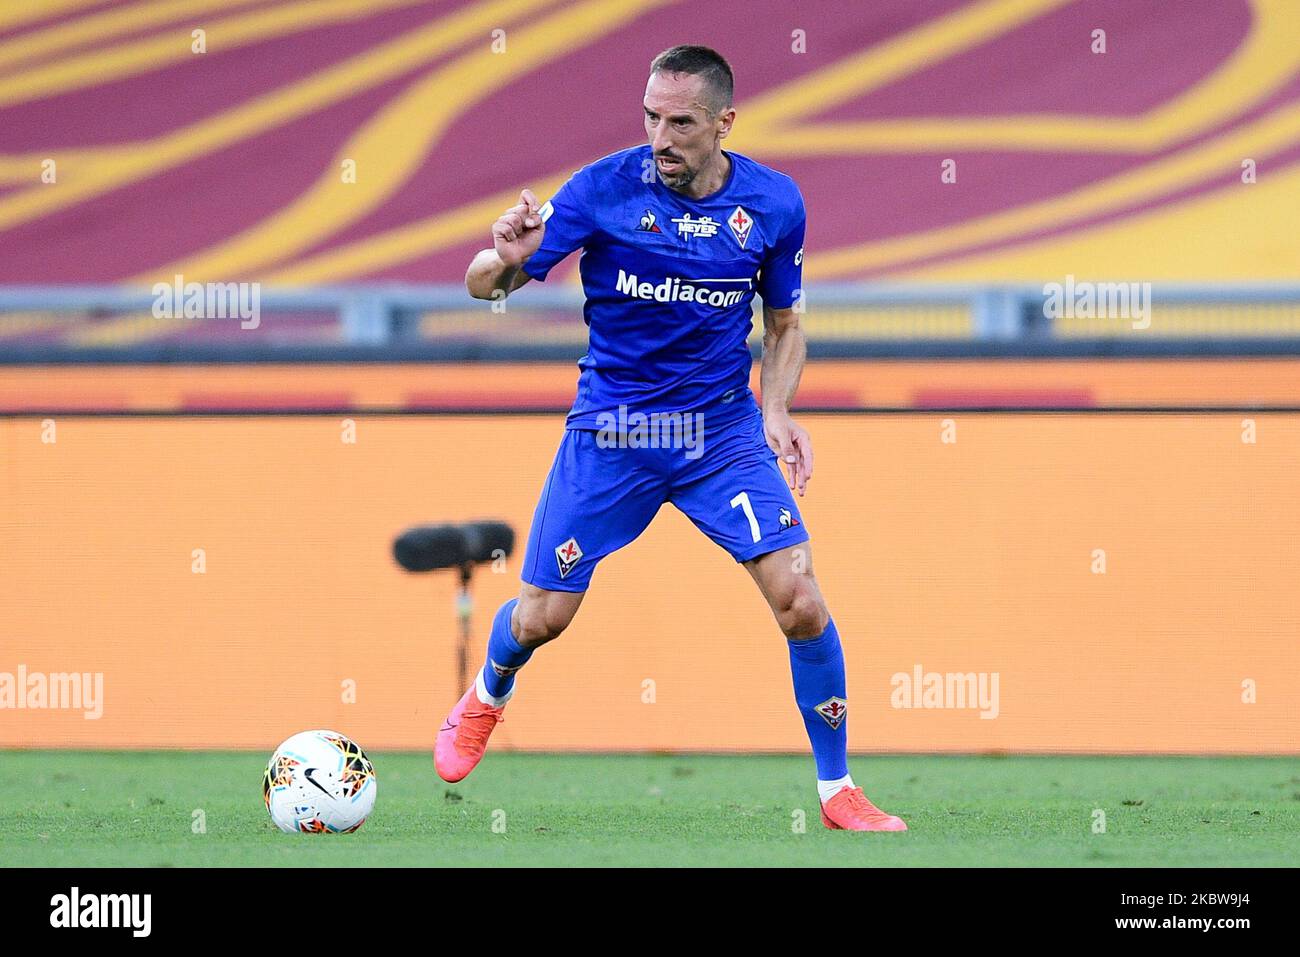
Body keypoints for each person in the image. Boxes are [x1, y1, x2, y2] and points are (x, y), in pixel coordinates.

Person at [440, 44, 906, 831]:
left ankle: (838, 791)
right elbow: (486, 283)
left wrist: (777, 409)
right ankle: (489, 691)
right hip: (615, 430)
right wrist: (502, 257)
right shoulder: (600, 191)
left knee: (799, 597)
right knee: (542, 618)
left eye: (680, 121)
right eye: (650, 116)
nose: (660, 135)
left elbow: (786, 325)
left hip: (718, 434)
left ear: (724, 122)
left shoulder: (775, 204)